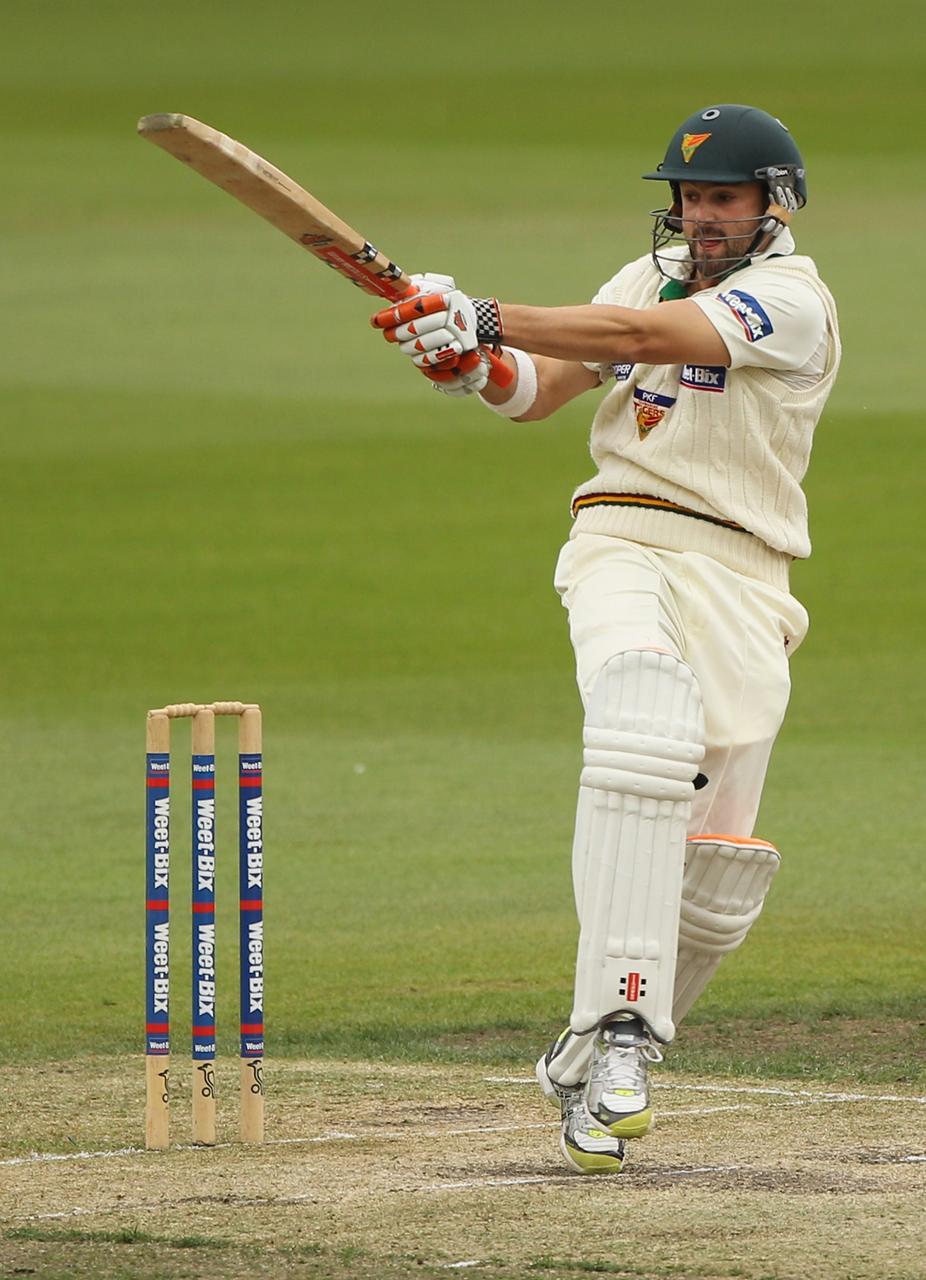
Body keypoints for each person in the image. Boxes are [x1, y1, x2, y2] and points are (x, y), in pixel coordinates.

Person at [371, 104, 841, 1175]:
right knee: (640, 710)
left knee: (713, 874)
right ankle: (626, 1038)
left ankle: (587, 1053)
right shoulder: (642, 278)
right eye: (689, 196)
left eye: (723, 197)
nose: (701, 215)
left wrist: (482, 314)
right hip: (622, 537)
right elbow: (540, 390)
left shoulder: (793, 301)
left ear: (775, 204)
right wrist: (470, 363)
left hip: (746, 574)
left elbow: (636, 342)